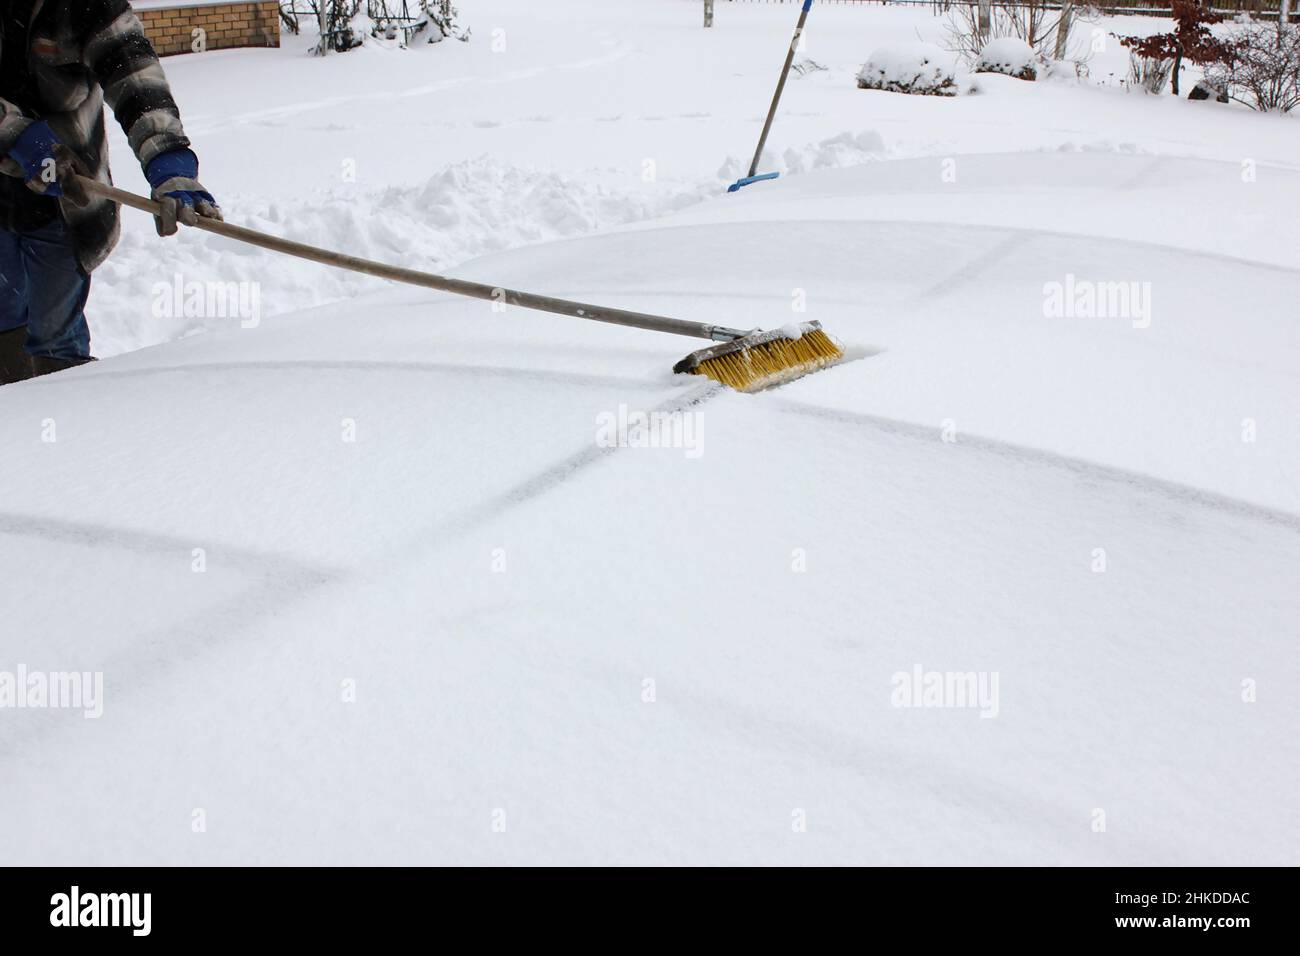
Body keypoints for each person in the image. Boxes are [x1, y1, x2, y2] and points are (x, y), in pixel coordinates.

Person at [0, 0, 220, 385]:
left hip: (66, 202)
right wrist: (15, 136)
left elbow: (134, 74)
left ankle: (67, 423)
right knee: (3, 313)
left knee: (55, 336)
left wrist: (168, 159)